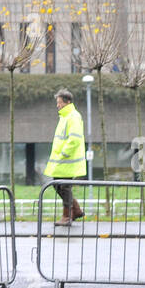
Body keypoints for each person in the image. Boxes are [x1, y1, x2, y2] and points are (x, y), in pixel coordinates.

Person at [44, 88, 86, 227]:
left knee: (64, 187)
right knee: (58, 185)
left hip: (67, 160)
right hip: (62, 161)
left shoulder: (73, 116)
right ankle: (76, 210)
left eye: (60, 102)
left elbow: (73, 139)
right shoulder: (65, 116)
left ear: (67, 102)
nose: (58, 105)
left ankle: (67, 216)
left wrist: (63, 154)